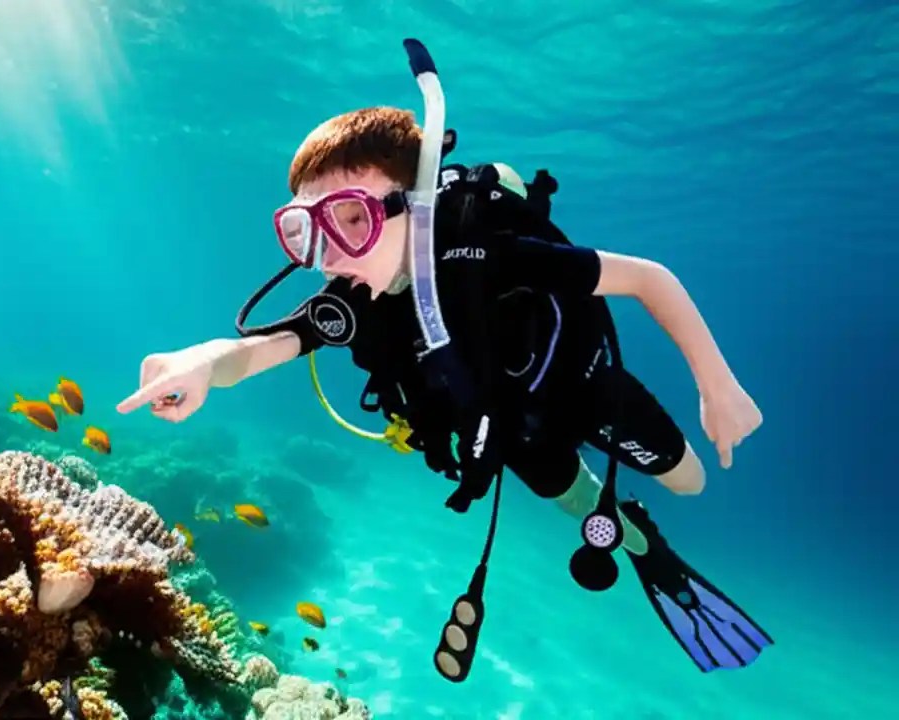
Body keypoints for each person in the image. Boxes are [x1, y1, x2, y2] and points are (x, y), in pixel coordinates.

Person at [117, 39, 771, 680]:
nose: (333, 253)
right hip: (509, 438)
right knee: (573, 498)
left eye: (350, 219)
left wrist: (717, 386)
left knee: (690, 481)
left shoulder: (486, 252)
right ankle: (642, 543)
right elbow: (264, 348)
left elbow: (649, 278)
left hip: (584, 391)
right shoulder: (354, 299)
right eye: (306, 230)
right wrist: (201, 361)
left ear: (414, 203)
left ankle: (645, 509)